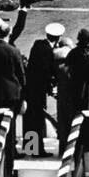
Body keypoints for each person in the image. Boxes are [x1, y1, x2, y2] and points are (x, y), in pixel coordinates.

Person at [24, 22, 64, 154]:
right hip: (39, 90)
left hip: (30, 88)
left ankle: (30, 147)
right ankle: (37, 150)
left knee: (30, 118)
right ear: (58, 38)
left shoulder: (37, 45)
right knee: (38, 119)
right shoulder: (48, 51)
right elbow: (47, 71)